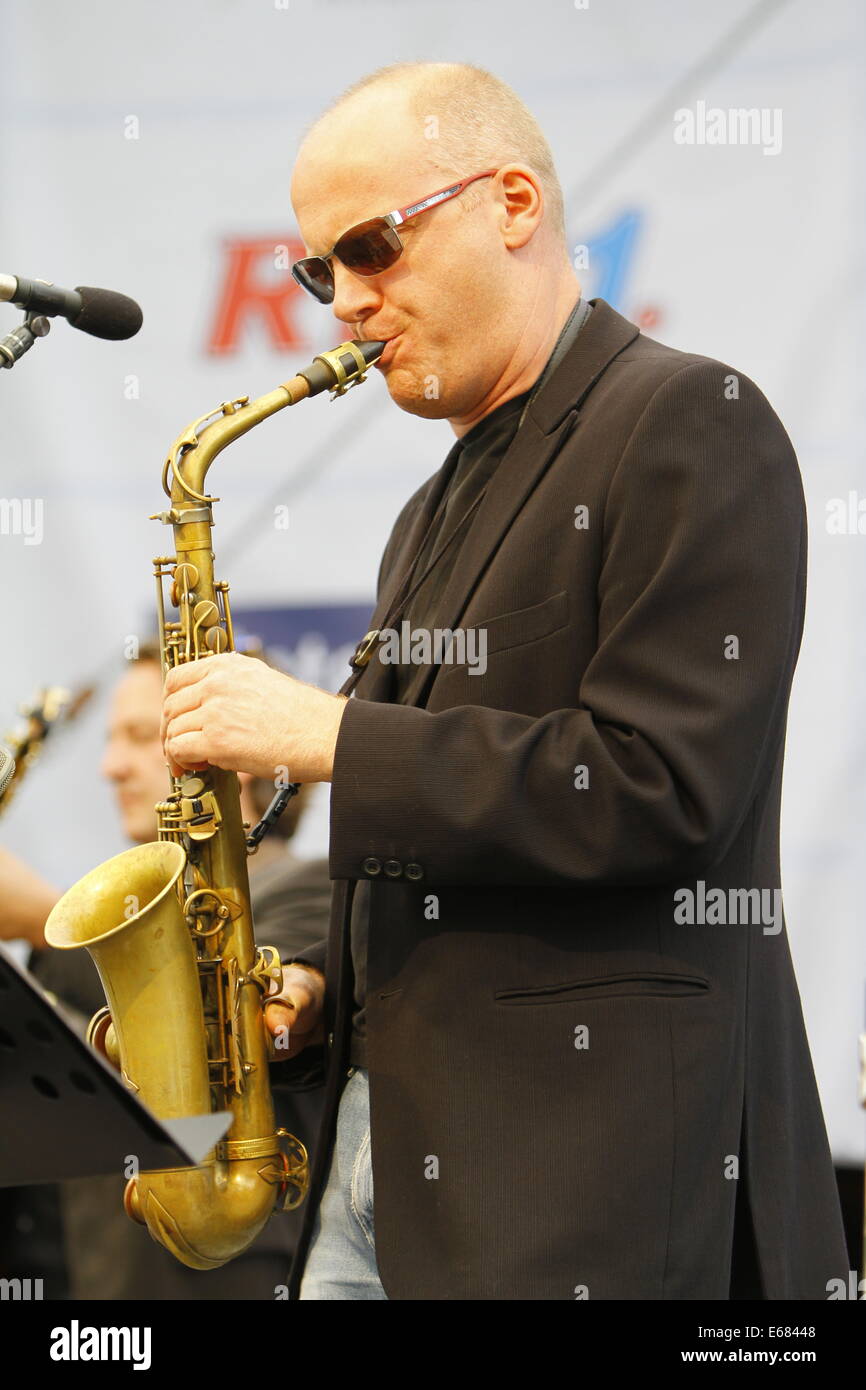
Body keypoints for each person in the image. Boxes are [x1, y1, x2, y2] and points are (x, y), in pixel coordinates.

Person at [160, 61, 849, 1300]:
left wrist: (333, 737)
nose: (346, 305)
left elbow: (657, 787)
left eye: (371, 249)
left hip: (585, 1187)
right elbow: (452, 837)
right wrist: (322, 984)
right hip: (386, 1167)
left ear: (513, 203)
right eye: (321, 273)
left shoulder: (687, 417)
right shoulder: (427, 508)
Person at [1, 642, 330, 1299]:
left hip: (232, 1275)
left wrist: (41, 919)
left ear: (226, 751)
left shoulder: (311, 887)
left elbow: (220, 1018)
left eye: (137, 736)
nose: (109, 766)